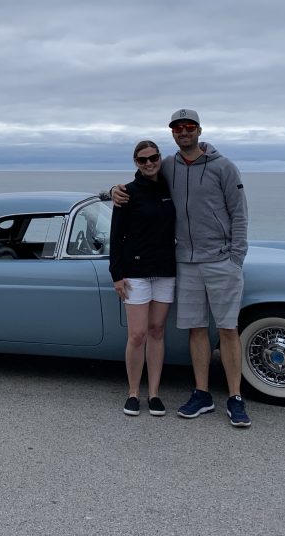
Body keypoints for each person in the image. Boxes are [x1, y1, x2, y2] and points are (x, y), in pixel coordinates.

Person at [111, 109, 251, 428]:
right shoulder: (169, 167)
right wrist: (113, 191)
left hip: (220, 260)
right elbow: (137, 190)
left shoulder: (224, 167)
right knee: (196, 329)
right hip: (184, 262)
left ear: (199, 130)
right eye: (177, 128)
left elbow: (240, 215)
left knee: (228, 328)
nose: (183, 132)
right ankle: (201, 394)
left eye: (189, 127)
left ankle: (235, 397)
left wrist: (235, 259)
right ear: (172, 133)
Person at [109, 140, 176, 418]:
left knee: (157, 331)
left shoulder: (170, 187)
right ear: (135, 162)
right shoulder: (126, 193)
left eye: (153, 158)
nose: (149, 163)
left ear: (160, 158)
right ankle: (134, 392)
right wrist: (117, 275)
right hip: (135, 273)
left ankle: (155, 393)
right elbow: (116, 236)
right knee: (137, 335)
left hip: (165, 270)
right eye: (142, 160)